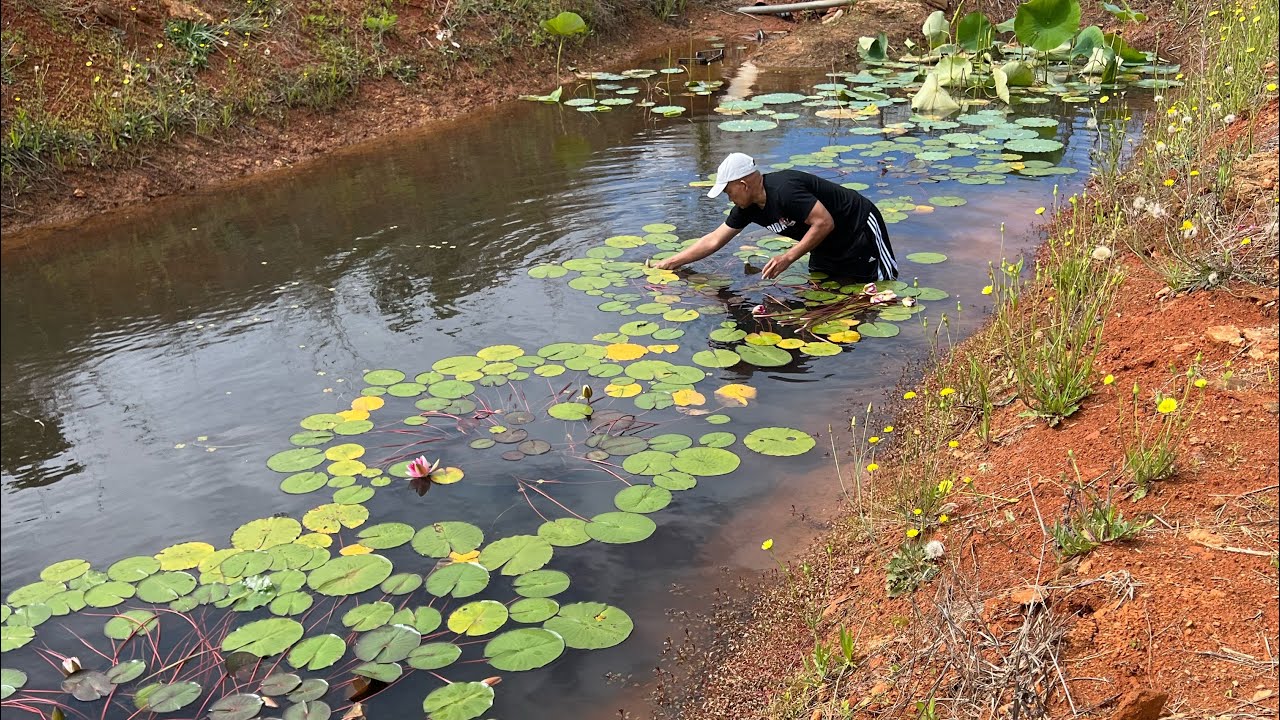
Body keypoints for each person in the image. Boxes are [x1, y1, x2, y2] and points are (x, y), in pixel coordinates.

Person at [654, 152, 898, 281]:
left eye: (728, 191)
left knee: (882, 284)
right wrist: (671, 263)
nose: (728, 197)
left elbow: (824, 222)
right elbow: (714, 240)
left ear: (743, 184)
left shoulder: (784, 190)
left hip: (857, 225)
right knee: (822, 286)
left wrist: (788, 258)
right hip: (825, 241)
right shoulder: (747, 208)